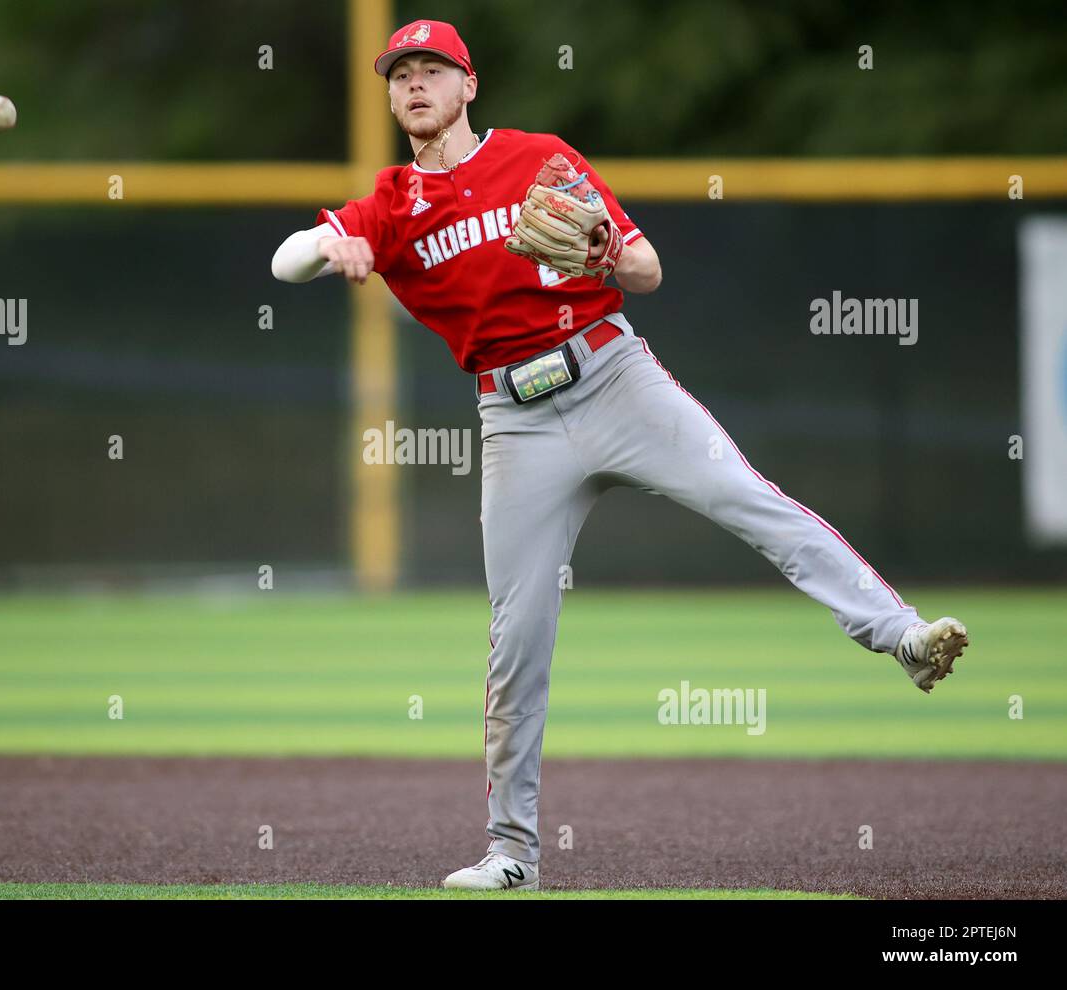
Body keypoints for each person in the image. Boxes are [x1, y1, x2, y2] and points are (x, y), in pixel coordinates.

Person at [271, 19, 969, 892]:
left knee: (749, 500)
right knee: (516, 638)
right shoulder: (390, 205)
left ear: (468, 85)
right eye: (400, 73)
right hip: (513, 420)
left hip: (612, 374)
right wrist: (332, 245)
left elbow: (645, 270)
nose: (414, 85)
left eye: (432, 70)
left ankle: (900, 634)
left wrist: (610, 251)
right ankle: (514, 854)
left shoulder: (539, 158)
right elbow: (286, 258)